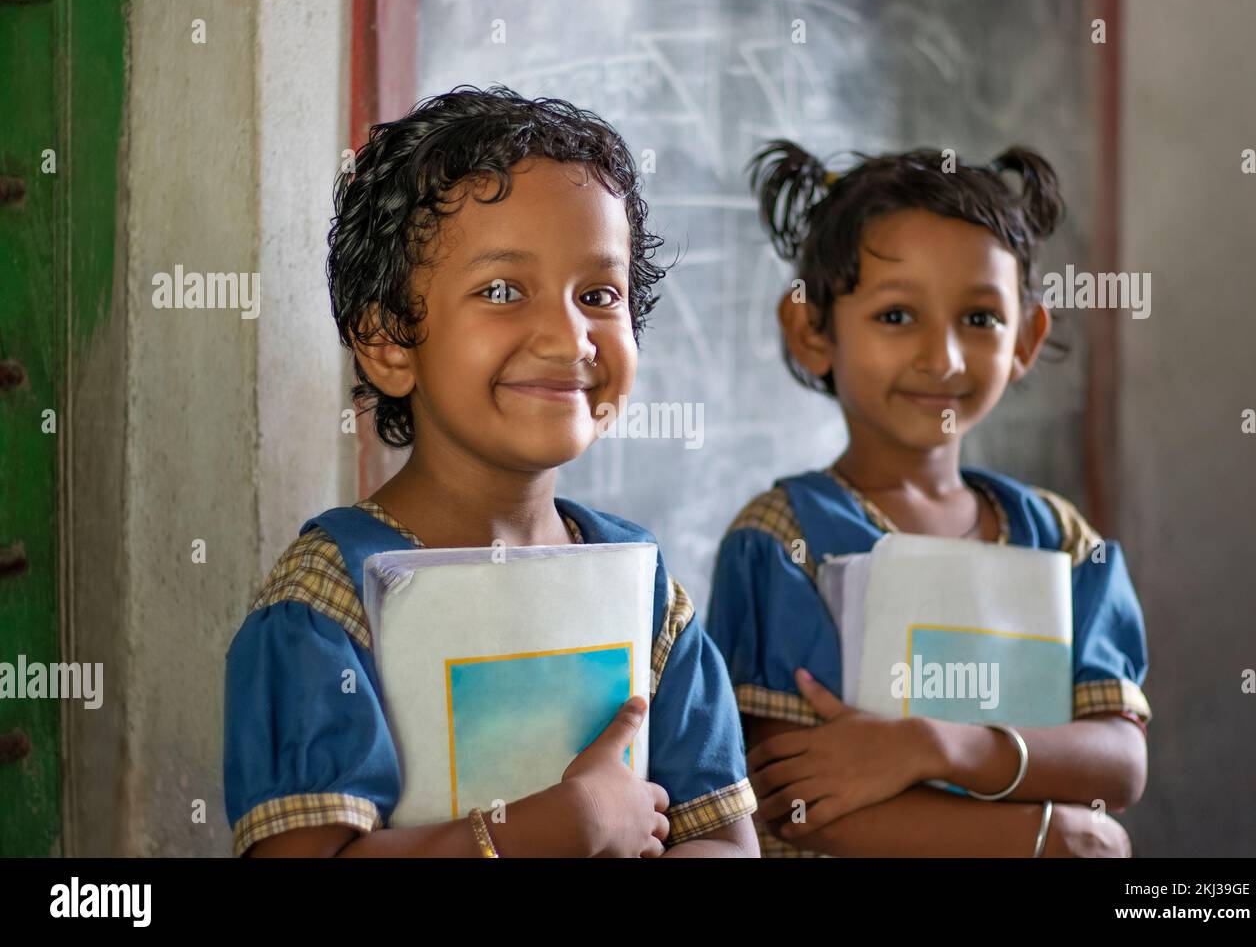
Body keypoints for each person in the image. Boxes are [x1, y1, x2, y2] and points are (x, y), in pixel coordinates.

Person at [223, 86, 758, 858]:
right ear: (388, 343)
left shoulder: (644, 595)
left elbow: (727, 844)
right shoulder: (329, 602)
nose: (569, 335)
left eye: (599, 294)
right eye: (503, 290)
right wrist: (556, 829)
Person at [706, 141, 1150, 857]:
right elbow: (794, 801)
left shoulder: (1065, 539)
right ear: (812, 331)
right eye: (895, 317)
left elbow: (1120, 765)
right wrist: (1040, 834)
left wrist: (932, 745)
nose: (941, 357)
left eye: (979, 319)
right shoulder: (782, 537)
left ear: (1027, 339)